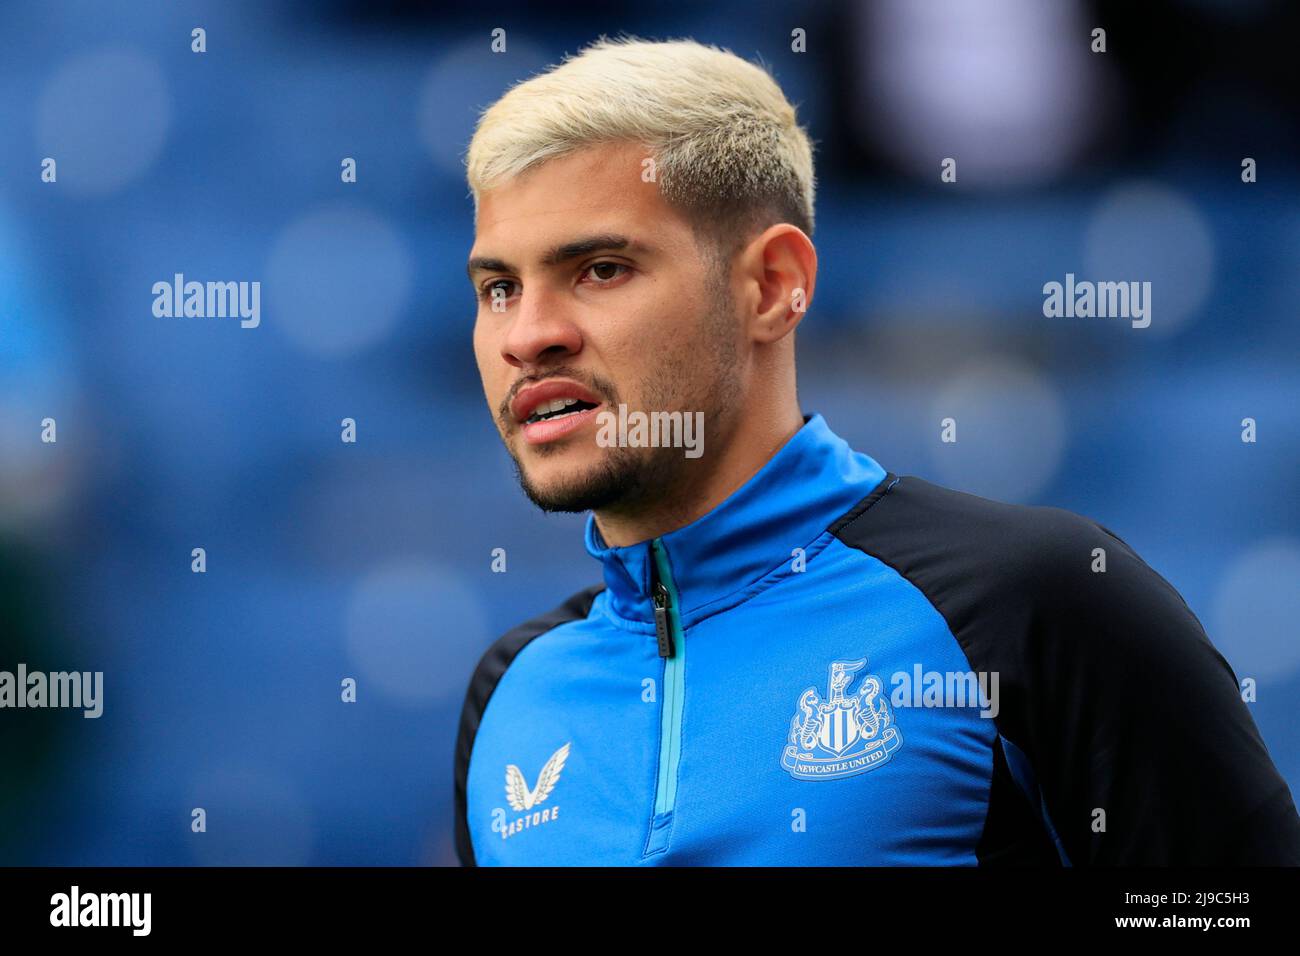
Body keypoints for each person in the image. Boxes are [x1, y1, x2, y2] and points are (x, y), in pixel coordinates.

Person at [453, 35, 1300, 865]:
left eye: (600, 269)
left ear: (772, 286)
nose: (528, 336)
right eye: (500, 288)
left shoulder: (1033, 600)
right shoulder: (512, 692)